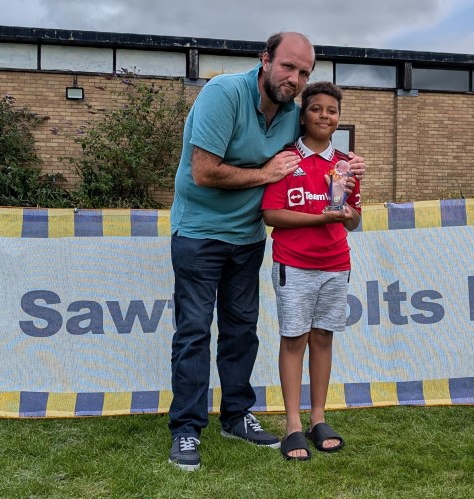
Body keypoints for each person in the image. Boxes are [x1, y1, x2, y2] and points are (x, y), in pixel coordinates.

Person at [167, 33, 366, 471]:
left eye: (304, 73)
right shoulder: (223, 93)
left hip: (248, 238)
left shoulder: (292, 112)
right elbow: (203, 171)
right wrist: (265, 172)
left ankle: (236, 416)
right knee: (195, 332)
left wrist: (348, 167)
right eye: (288, 67)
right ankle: (186, 428)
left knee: (242, 331)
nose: (294, 79)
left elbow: (317, 149)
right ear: (265, 61)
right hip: (199, 233)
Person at [261, 81, 361, 461]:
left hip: (336, 263)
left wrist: (346, 212)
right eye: (316, 108)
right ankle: (292, 425)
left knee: (323, 339)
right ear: (303, 115)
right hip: (295, 264)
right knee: (294, 340)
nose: (324, 115)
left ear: (339, 118)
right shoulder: (287, 159)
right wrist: (320, 216)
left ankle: (318, 418)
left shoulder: (347, 166)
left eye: (331, 110)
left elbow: (353, 220)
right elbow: (271, 214)